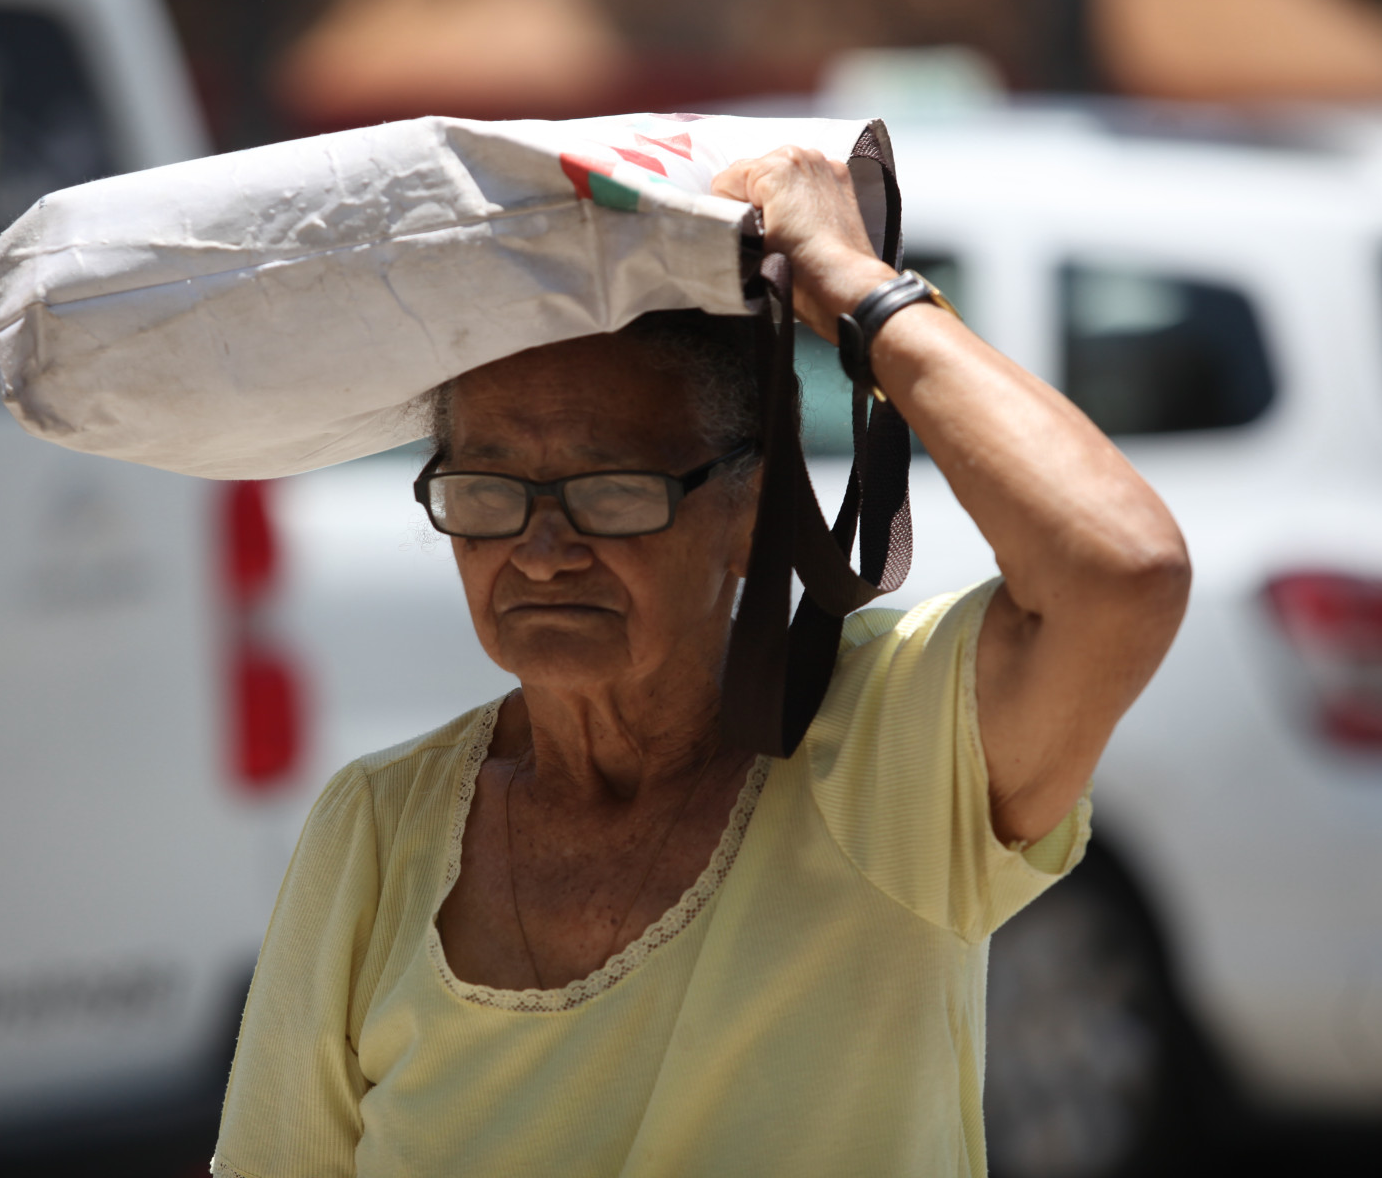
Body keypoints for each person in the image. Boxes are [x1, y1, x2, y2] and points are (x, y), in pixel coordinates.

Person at [210, 147, 1190, 1177]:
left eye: (612, 491)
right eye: (488, 491)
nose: (540, 551)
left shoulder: (890, 753)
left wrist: (853, 284)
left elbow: (1122, 572)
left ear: (751, 513)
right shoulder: (376, 832)